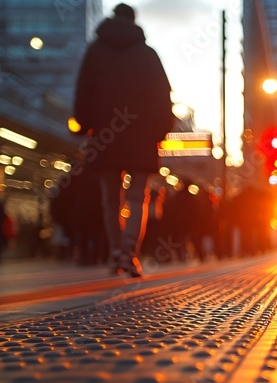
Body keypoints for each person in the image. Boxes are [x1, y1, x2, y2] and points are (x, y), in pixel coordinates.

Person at [73, 3, 172, 277]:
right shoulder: (148, 55)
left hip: (105, 136)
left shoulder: (95, 51)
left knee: (109, 199)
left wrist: (84, 124)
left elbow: (83, 90)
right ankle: (129, 253)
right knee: (137, 198)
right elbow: (163, 96)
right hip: (141, 138)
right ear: (134, 21)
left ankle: (115, 252)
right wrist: (160, 131)